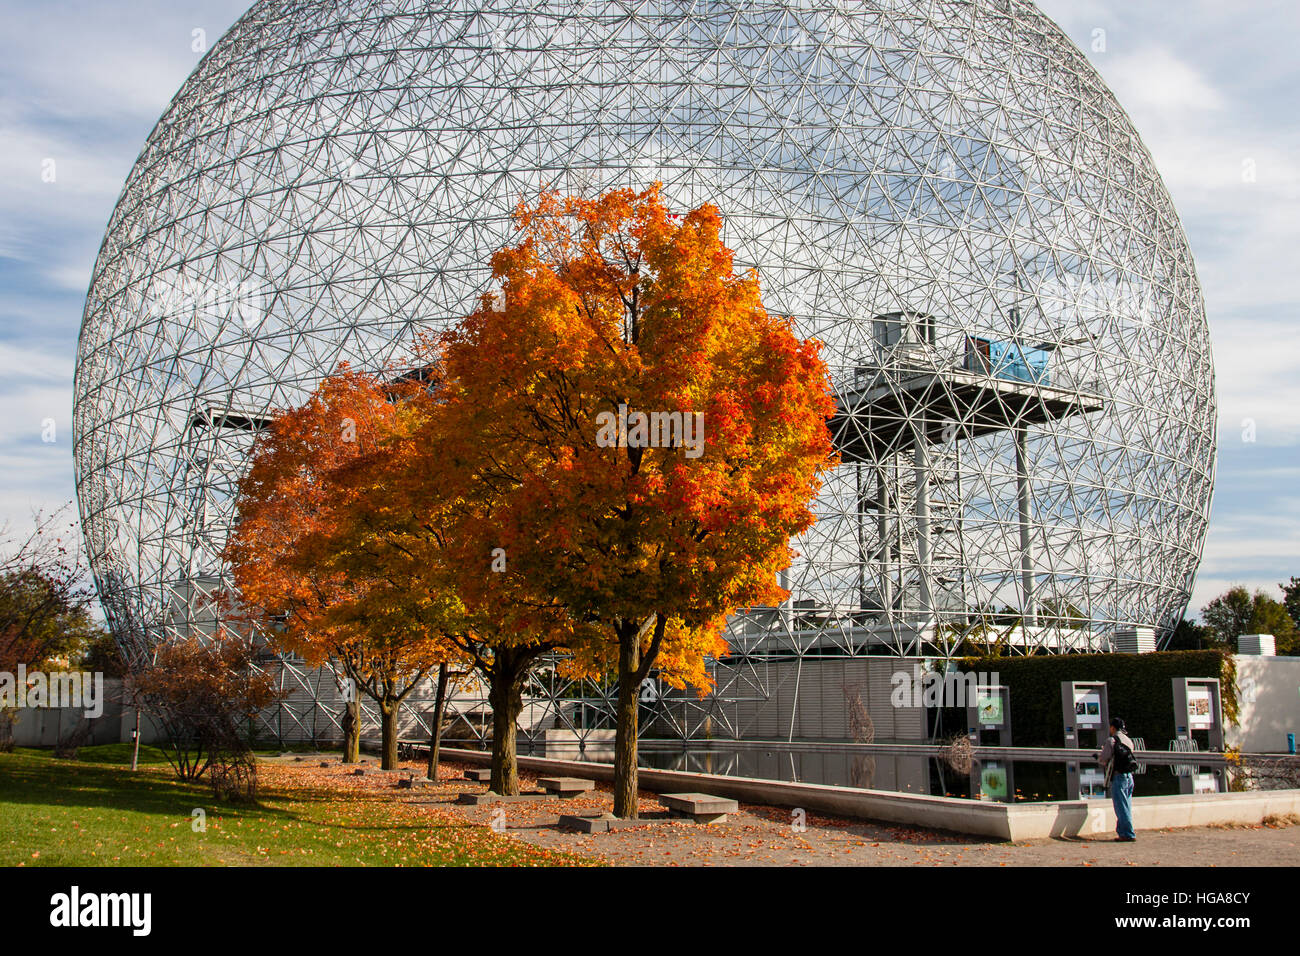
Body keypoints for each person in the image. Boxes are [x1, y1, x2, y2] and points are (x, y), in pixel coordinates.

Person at [1097, 716, 1137, 841]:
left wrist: (1099, 755)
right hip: (1129, 776)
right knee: (1126, 805)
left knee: (1120, 807)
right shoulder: (1128, 740)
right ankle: (1123, 832)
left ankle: (1127, 834)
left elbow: (1104, 759)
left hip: (1118, 776)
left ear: (1113, 728)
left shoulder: (1111, 740)